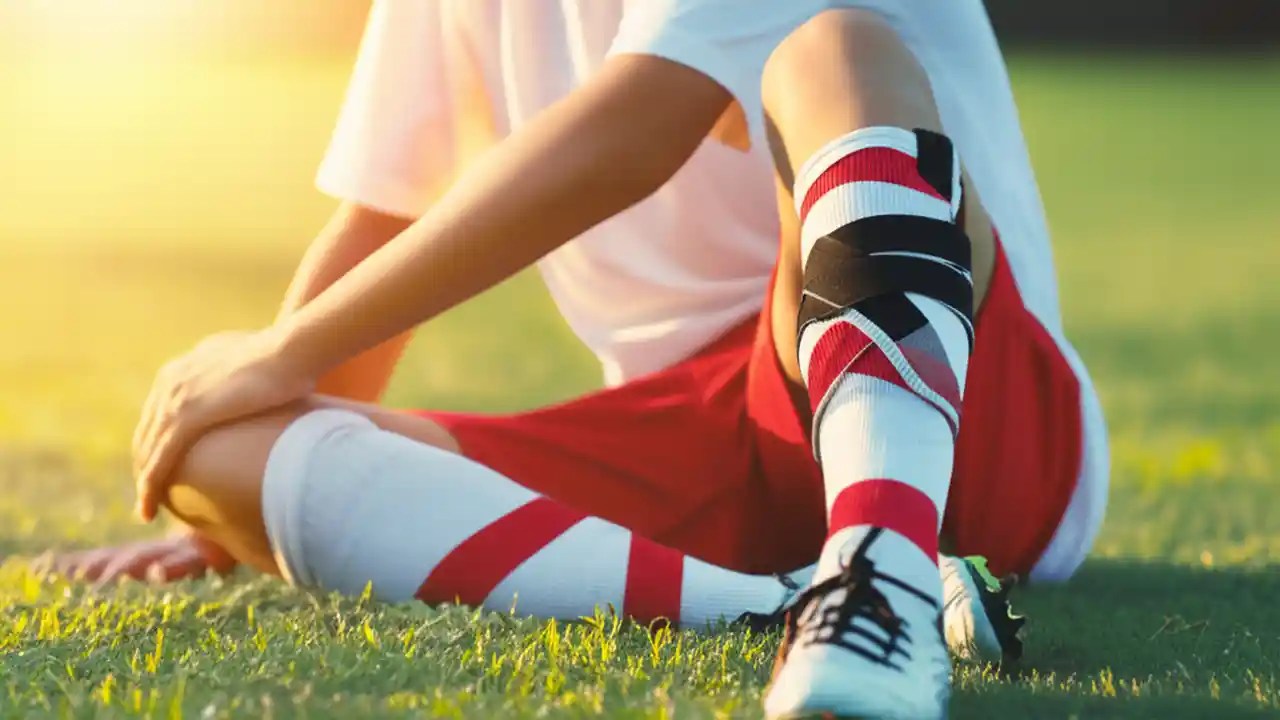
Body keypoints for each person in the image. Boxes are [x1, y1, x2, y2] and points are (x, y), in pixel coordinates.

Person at [48, 1, 1109, 717]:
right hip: (690, 444)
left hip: (950, 395)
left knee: (835, 54)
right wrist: (247, 505)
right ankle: (799, 601)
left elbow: (638, 126)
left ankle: (879, 570)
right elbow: (384, 211)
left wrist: (286, 349)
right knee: (214, 444)